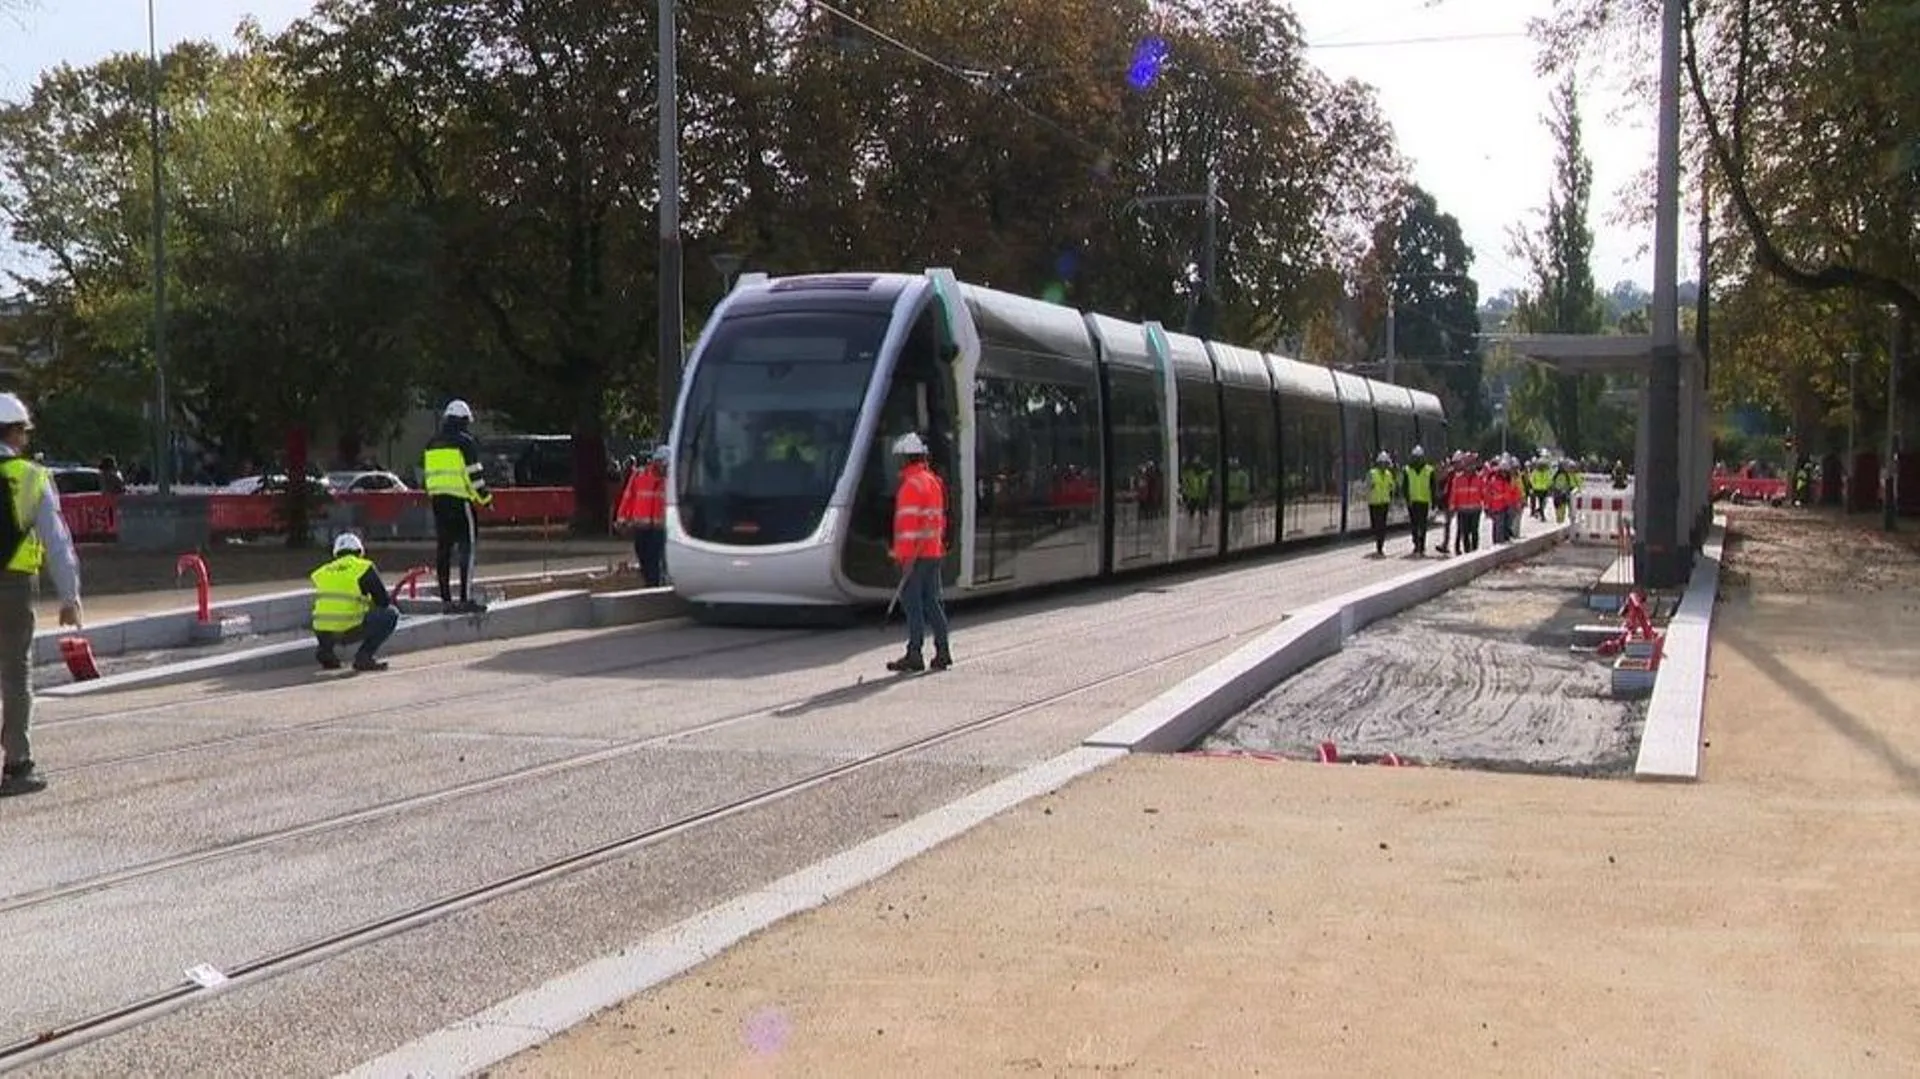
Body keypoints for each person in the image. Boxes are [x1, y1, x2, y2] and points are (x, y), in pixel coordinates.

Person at [0, 393, 82, 796]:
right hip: (13, 588)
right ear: (14, 432)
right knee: (16, 674)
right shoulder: (32, 477)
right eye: (24, 432)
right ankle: (17, 764)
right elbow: (58, 541)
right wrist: (69, 596)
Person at [886, 432, 952, 673]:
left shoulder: (910, 486)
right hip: (933, 550)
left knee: (913, 605)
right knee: (933, 602)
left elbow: (907, 527)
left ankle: (914, 653)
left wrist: (903, 558)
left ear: (905, 459)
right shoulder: (933, 481)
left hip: (915, 556)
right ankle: (943, 651)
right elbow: (938, 519)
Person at [421, 399, 492, 613]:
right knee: (466, 550)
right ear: (464, 421)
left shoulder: (431, 443)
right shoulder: (465, 442)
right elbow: (475, 476)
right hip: (460, 502)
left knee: (443, 550)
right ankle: (465, 598)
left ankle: (446, 600)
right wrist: (486, 499)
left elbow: (428, 476)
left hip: (438, 502)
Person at [311, 532, 399, 672]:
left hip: (322, 630)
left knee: (326, 612)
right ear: (360, 551)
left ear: (336, 553)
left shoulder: (321, 572)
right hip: (348, 628)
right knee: (391, 614)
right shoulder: (363, 567)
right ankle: (364, 657)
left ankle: (325, 651)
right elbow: (383, 602)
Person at [615, 445, 670, 587]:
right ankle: (650, 582)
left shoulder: (670, 480)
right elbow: (628, 497)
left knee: (655, 558)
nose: (666, 468)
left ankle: (654, 585)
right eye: (664, 464)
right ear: (656, 461)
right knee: (643, 556)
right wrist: (622, 519)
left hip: (660, 527)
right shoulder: (640, 475)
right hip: (640, 526)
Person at [1402, 445, 1435, 556]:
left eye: (1419, 458)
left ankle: (1422, 544)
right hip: (1413, 502)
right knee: (1414, 525)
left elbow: (1433, 486)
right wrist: (1407, 499)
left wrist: (1434, 501)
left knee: (1423, 524)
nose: (1417, 460)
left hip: (1424, 501)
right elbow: (1405, 487)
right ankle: (1416, 543)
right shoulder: (1407, 470)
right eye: (1415, 458)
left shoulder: (1429, 470)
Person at [1365, 450, 1395, 557]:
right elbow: (1366, 487)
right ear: (1378, 463)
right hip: (1374, 503)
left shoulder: (1388, 474)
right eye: (1382, 463)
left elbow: (1391, 487)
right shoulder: (1372, 473)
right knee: (1376, 526)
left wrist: (1391, 499)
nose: (1384, 466)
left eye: (1385, 463)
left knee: (1382, 526)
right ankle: (1378, 542)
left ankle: (1380, 547)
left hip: (1384, 503)